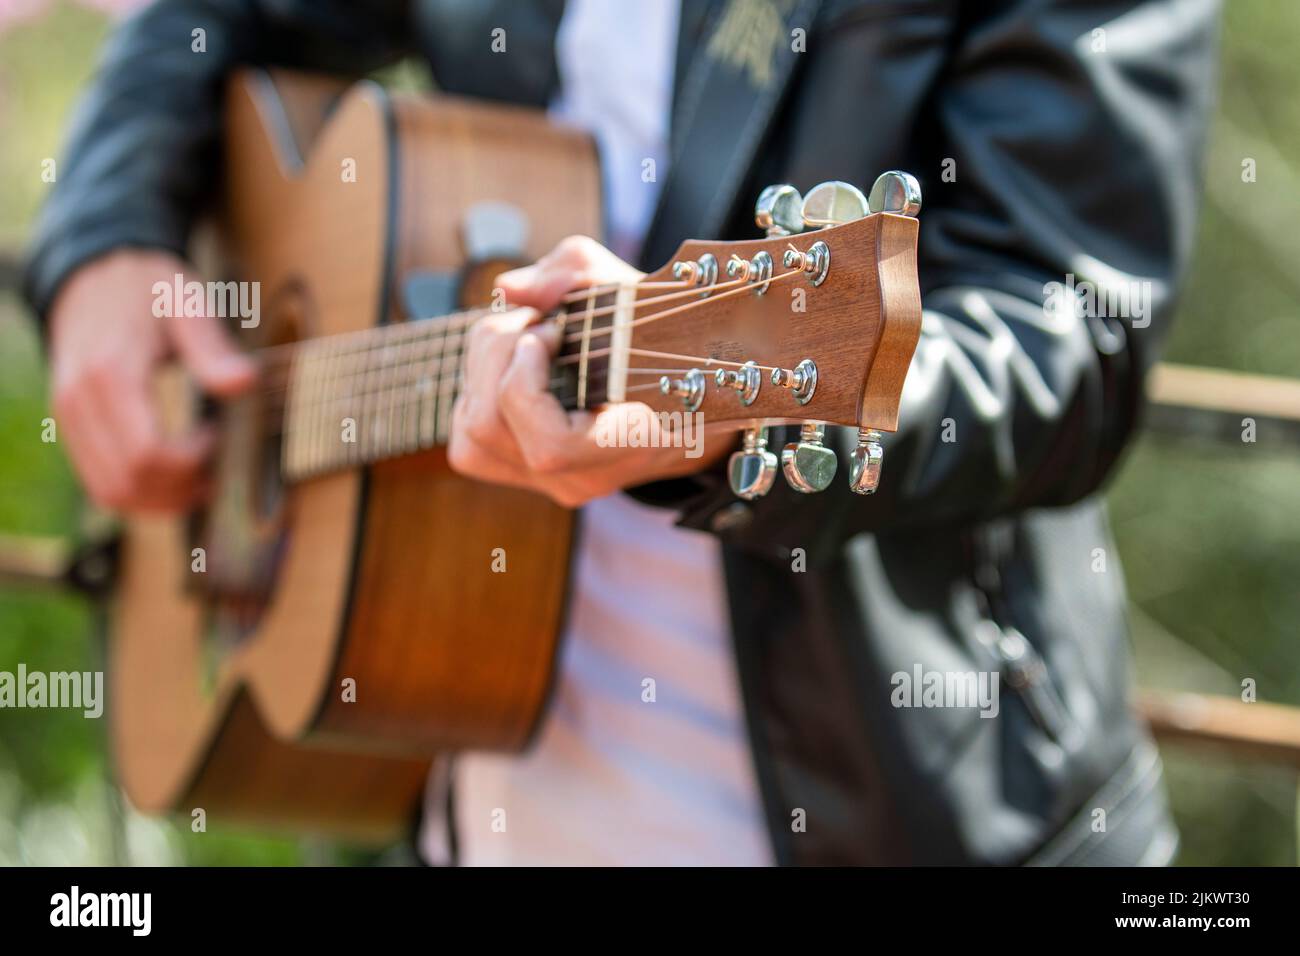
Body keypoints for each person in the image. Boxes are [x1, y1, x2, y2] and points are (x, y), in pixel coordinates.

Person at [25, 0, 1219, 865]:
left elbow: (1072, 342)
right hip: (455, 773)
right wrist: (104, 237)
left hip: (906, 807)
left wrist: (718, 422)